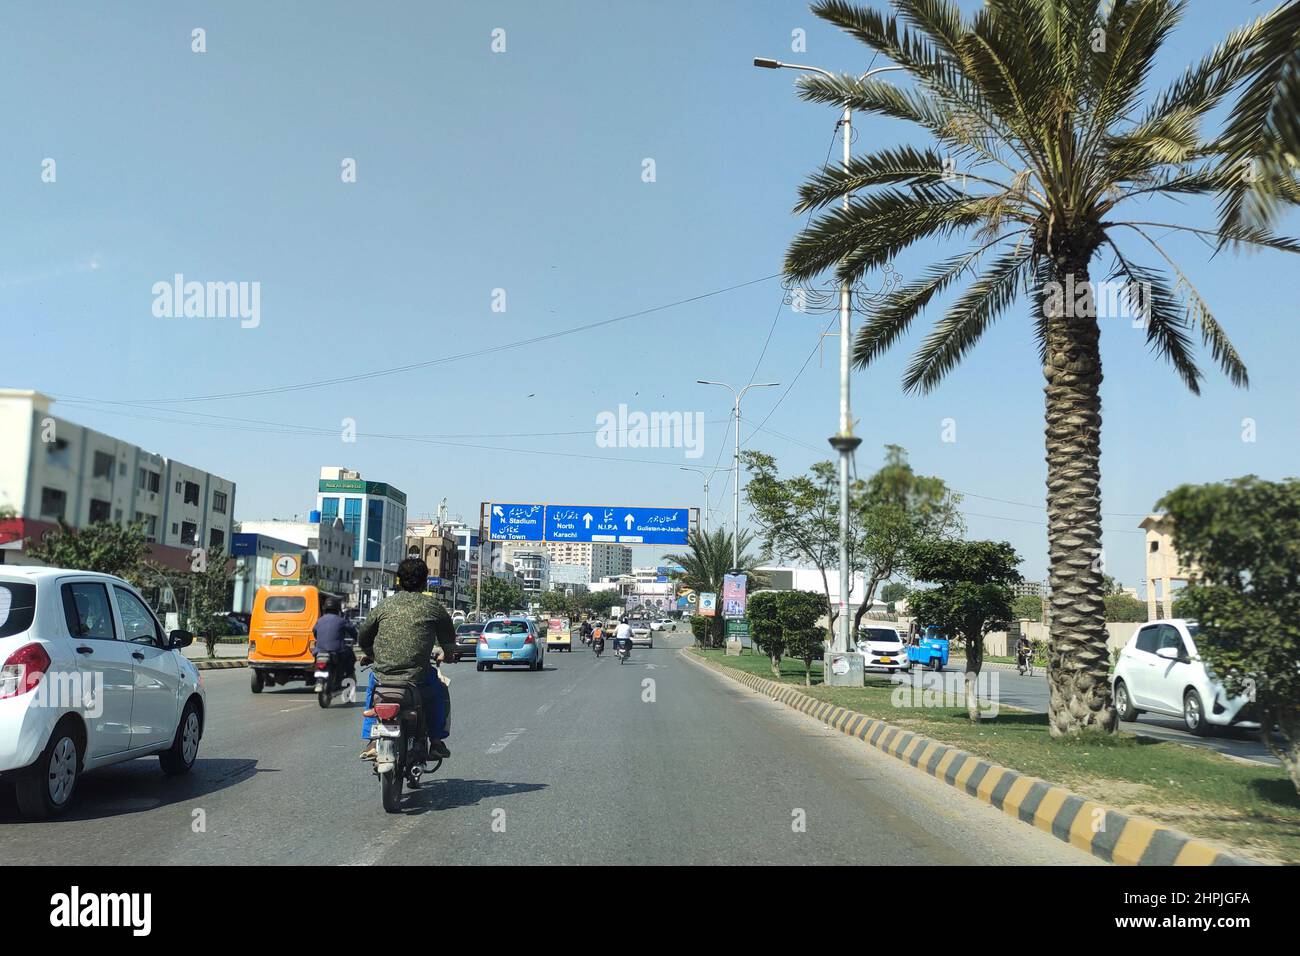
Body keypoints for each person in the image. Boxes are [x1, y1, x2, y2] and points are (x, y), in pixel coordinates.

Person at [357, 558, 457, 762]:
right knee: (439, 690)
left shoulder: (384, 605)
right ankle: (436, 742)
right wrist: (448, 654)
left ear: (398, 580)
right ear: (425, 581)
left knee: (372, 687)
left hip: (383, 676)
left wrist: (371, 653)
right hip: (417, 677)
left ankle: (371, 740)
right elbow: (448, 638)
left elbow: (364, 635)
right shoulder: (432, 606)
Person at [312, 597, 356, 680]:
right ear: (338, 609)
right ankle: (350, 674)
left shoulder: (320, 620)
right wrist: (358, 639)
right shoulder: (341, 621)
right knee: (350, 653)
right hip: (336, 649)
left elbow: (314, 632)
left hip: (319, 650)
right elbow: (352, 631)